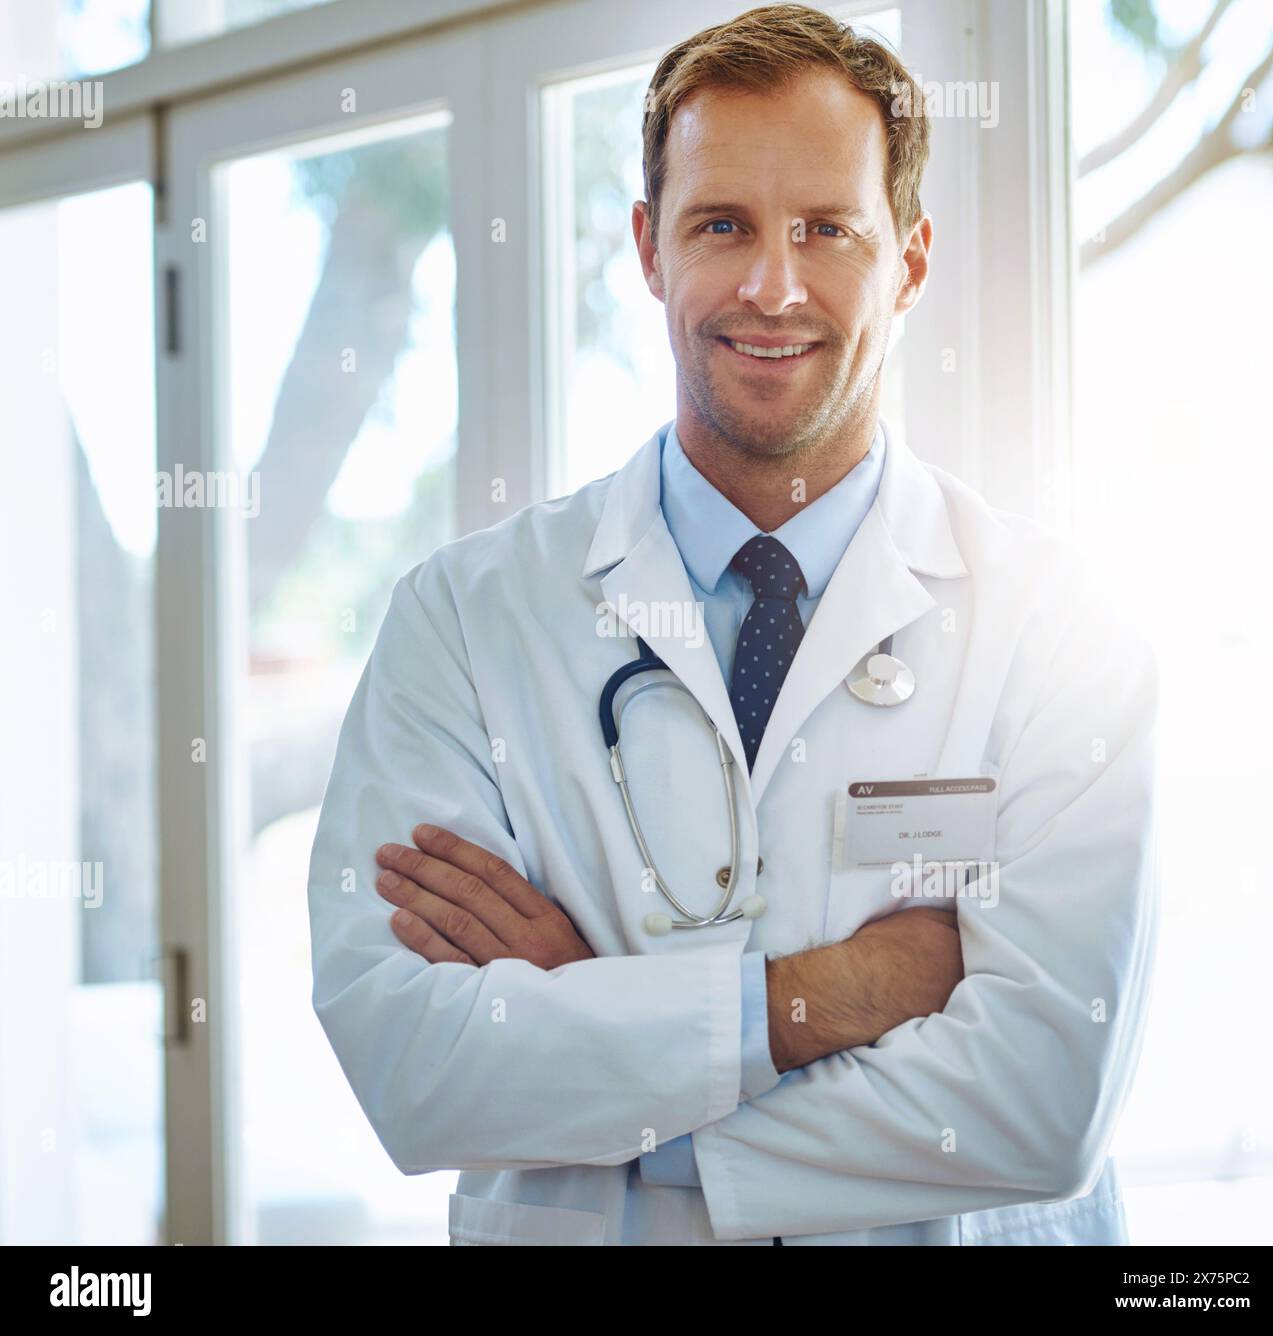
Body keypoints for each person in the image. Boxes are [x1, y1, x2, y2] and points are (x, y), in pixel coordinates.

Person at [307, 2, 1158, 1246]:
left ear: (909, 261)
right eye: (724, 224)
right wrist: (822, 997)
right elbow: (410, 1063)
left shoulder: (1058, 626)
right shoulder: (465, 619)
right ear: (650, 248)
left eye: (828, 229)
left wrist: (603, 1031)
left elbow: (1039, 1103)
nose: (773, 284)